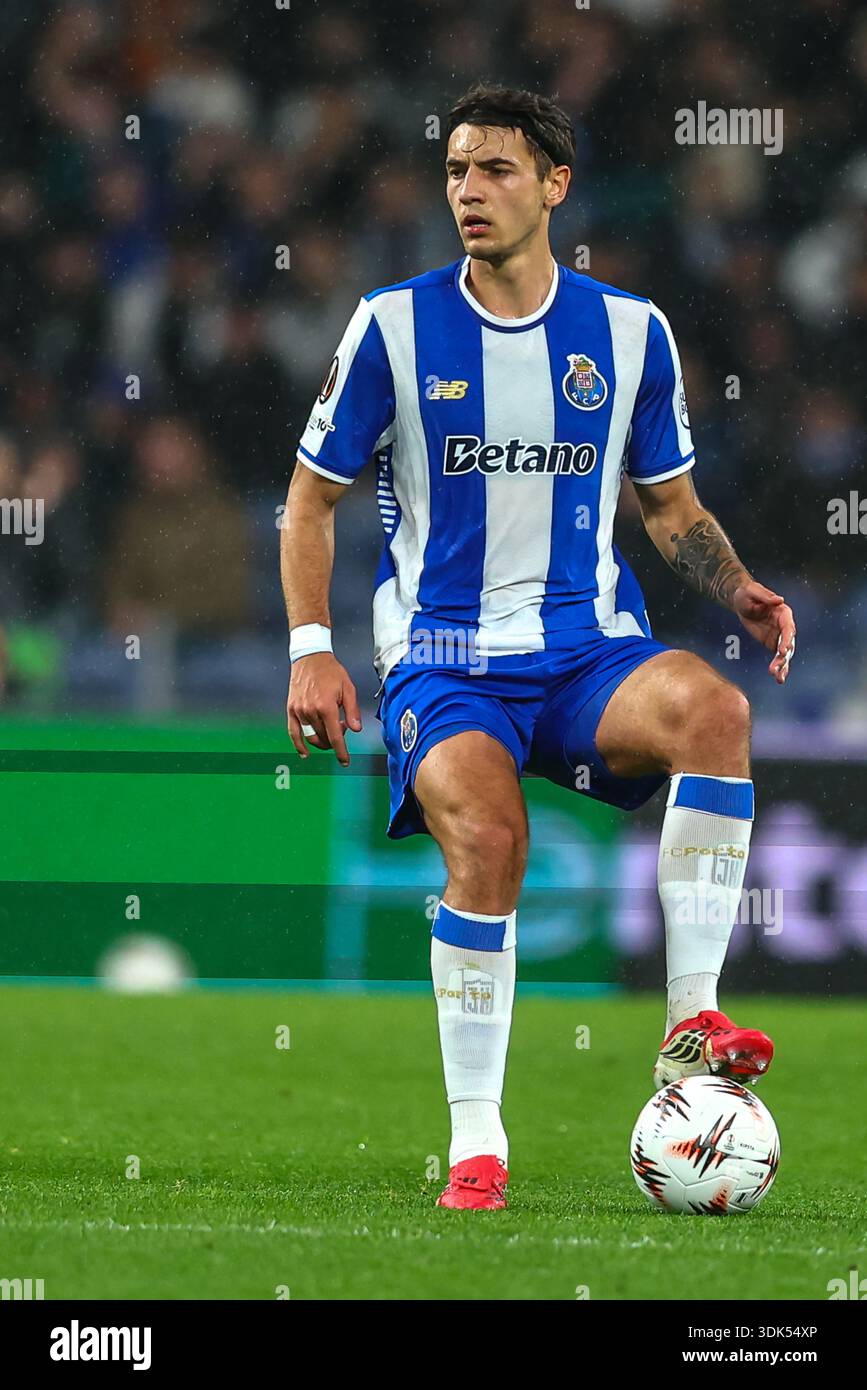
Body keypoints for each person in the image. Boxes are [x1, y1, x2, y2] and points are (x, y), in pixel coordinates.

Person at [281, 85, 796, 1212]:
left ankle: (688, 1025)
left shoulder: (629, 332)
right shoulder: (392, 326)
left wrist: (736, 580)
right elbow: (309, 500)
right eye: (457, 170)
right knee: (494, 840)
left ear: (555, 185)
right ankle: (479, 1144)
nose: (469, 189)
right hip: (443, 655)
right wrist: (311, 648)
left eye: (497, 170)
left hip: (586, 649)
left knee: (717, 711)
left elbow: (667, 509)